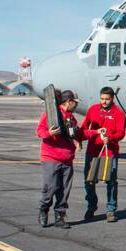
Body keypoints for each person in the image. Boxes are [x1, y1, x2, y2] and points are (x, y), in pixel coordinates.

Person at [36, 90, 83, 229]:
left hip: (67, 159)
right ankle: (44, 209)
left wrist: (79, 139)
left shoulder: (71, 119)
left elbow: (76, 133)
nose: (76, 105)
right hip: (51, 157)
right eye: (75, 102)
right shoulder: (50, 115)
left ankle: (60, 216)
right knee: (50, 188)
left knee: (64, 190)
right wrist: (49, 133)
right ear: (69, 101)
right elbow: (39, 131)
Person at [81, 86, 126, 222]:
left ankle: (111, 210)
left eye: (107, 99)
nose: (104, 101)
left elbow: (121, 132)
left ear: (112, 99)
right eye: (102, 99)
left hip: (110, 153)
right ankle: (91, 205)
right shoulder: (92, 109)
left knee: (111, 181)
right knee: (89, 180)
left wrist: (110, 138)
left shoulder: (118, 113)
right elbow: (84, 128)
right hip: (92, 151)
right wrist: (85, 136)